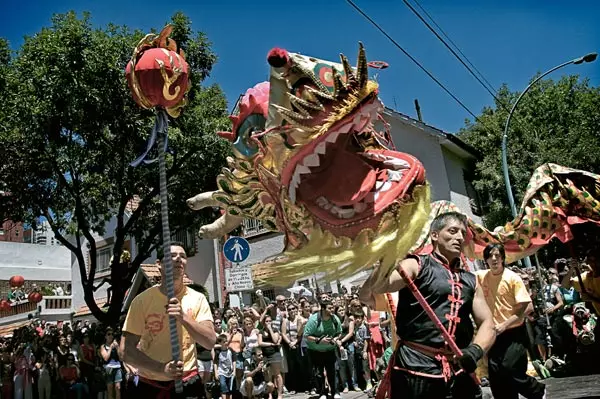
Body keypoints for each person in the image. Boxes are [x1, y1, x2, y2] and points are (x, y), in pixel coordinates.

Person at [360, 212, 496, 399]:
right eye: (453, 231)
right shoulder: (416, 264)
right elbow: (379, 286)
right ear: (434, 235)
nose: (459, 237)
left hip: (457, 370)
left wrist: (475, 351)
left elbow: (488, 323)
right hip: (415, 368)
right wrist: (385, 260)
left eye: (462, 233)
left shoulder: (471, 280)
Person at [120, 242, 216, 398]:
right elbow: (126, 351)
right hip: (150, 385)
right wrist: (161, 368)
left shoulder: (198, 299)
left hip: (188, 383)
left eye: (183, 256)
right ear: (159, 264)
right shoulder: (142, 301)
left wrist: (183, 317)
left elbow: (210, 341)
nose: (178, 259)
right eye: (172, 256)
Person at [476, 243, 546, 399]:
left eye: (497, 255)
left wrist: (505, 324)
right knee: (496, 375)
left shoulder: (512, 278)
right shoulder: (481, 277)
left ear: (502, 258)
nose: (494, 259)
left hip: (514, 333)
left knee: (510, 368)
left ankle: (537, 390)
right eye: (490, 256)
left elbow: (524, 308)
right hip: (494, 334)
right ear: (486, 259)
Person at [304, 297, 342, 399]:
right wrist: (319, 340)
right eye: (330, 308)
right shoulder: (314, 320)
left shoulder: (335, 319)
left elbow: (339, 333)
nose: (332, 310)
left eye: (333, 308)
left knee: (332, 371)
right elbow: (306, 335)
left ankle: (335, 392)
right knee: (318, 373)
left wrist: (335, 339)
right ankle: (323, 392)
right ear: (323, 309)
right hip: (315, 350)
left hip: (330, 350)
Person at [100, 327, 122, 399]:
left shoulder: (116, 345)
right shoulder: (103, 346)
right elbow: (106, 358)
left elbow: (121, 358)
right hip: (108, 369)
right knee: (110, 390)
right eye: (109, 334)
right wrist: (110, 348)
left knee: (118, 388)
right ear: (105, 336)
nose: (111, 336)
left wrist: (117, 347)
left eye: (112, 334)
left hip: (117, 368)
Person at [215, 334, 236, 399]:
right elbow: (215, 363)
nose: (226, 343)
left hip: (230, 372)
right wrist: (216, 372)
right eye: (224, 342)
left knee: (230, 389)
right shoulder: (218, 352)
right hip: (221, 372)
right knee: (223, 386)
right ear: (220, 343)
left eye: (226, 341)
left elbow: (234, 361)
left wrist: (234, 371)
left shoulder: (230, 350)